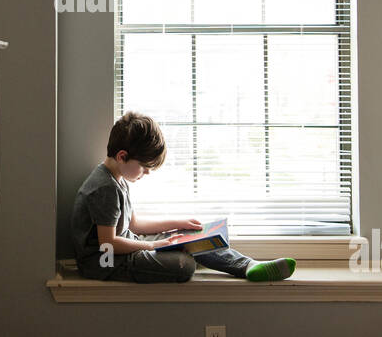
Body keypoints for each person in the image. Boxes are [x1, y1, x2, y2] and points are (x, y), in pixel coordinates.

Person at [71, 111, 297, 283]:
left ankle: (248, 265)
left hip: (120, 249)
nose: (147, 173)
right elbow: (108, 244)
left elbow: (134, 224)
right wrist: (154, 247)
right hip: (106, 263)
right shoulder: (105, 189)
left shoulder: (118, 178)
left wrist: (178, 224)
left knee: (189, 236)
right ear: (122, 156)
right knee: (184, 264)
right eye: (145, 167)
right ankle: (195, 254)